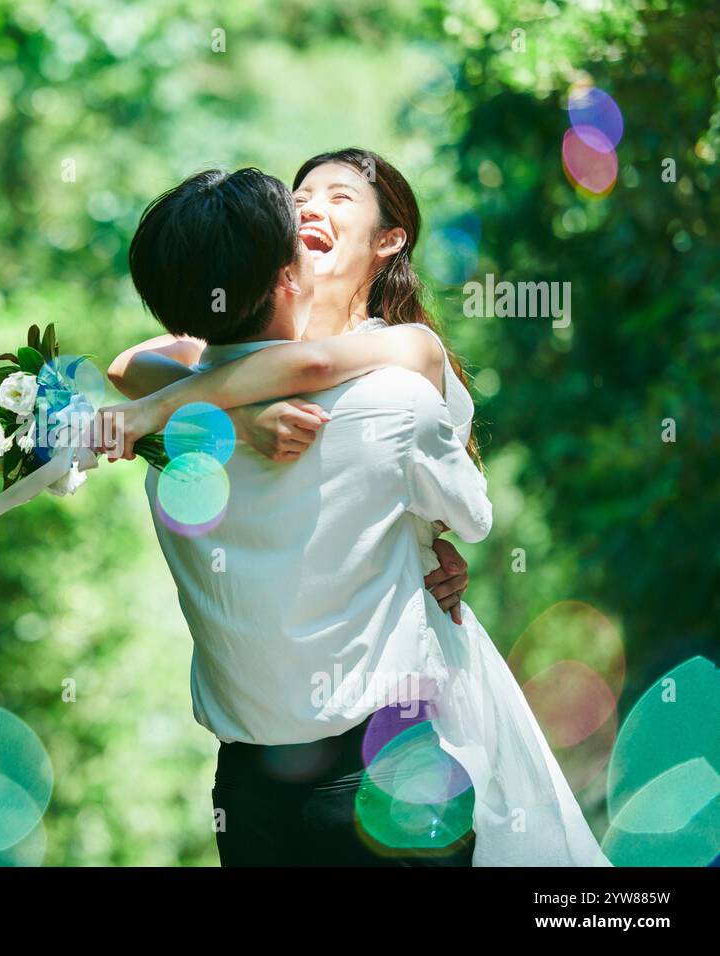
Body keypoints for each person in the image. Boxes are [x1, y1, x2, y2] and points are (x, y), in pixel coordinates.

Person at [97, 160, 611, 867]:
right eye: (300, 197)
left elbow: (453, 505)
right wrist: (237, 416)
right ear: (282, 266)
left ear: (388, 241)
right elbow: (137, 361)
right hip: (302, 758)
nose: (313, 209)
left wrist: (173, 411)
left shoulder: (398, 364)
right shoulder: (216, 386)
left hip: (377, 715)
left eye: (341, 199)